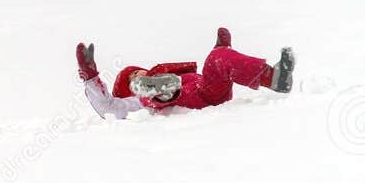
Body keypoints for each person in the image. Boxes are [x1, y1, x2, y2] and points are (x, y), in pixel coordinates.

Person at [76, 27, 295, 120]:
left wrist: (223, 51)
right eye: (132, 78)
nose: (137, 73)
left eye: (138, 72)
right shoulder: (132, 105)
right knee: (153, 93)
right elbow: (106, 107)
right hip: (186, 100)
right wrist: (90, 76)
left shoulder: (171, 74)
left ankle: (276, 78)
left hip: (206, 91)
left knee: (217, 58)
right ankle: (164, 92)